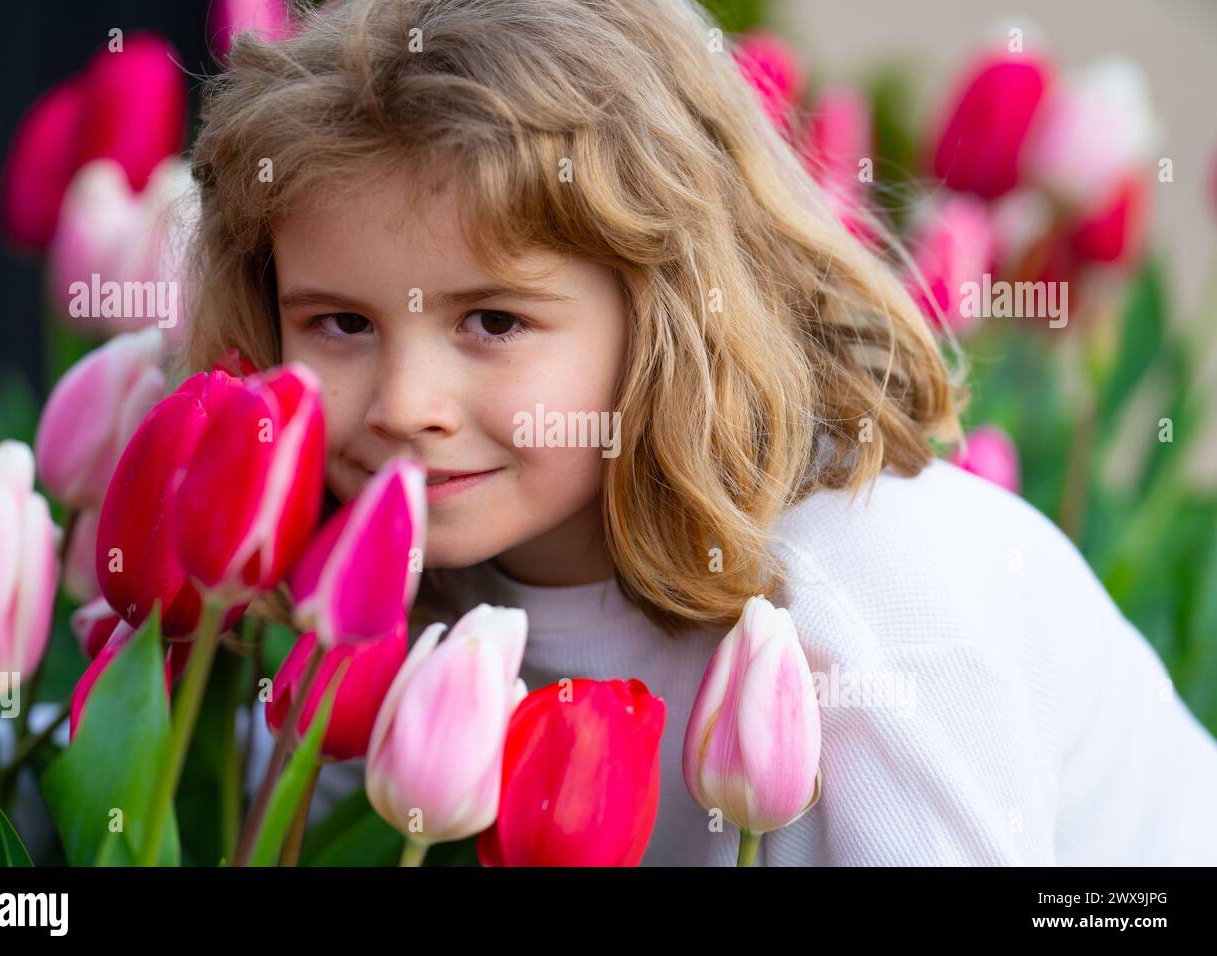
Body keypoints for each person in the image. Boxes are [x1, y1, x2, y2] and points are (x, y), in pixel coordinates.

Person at [184, 0, 1217, 865]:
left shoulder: (869, 583)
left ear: (668, 309)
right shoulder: (395, 574)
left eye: (493, 321)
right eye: (341, 323)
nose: (404, 403)